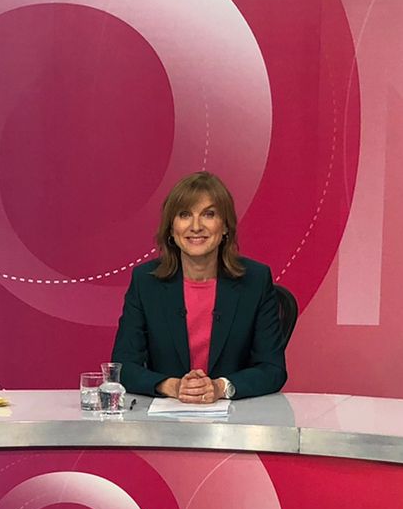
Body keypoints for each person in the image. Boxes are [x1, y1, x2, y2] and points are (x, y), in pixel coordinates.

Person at [110, 171, 287, 403]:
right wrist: (172, 386)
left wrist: (220, 387)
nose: (196, 226)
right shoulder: (146, 281)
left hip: (236, 417)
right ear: (171, 229)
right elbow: (123, 366)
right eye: (184, 215)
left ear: (225, 227)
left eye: (209, 214)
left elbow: (273, 369)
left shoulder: (256, 280)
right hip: (165, 416)